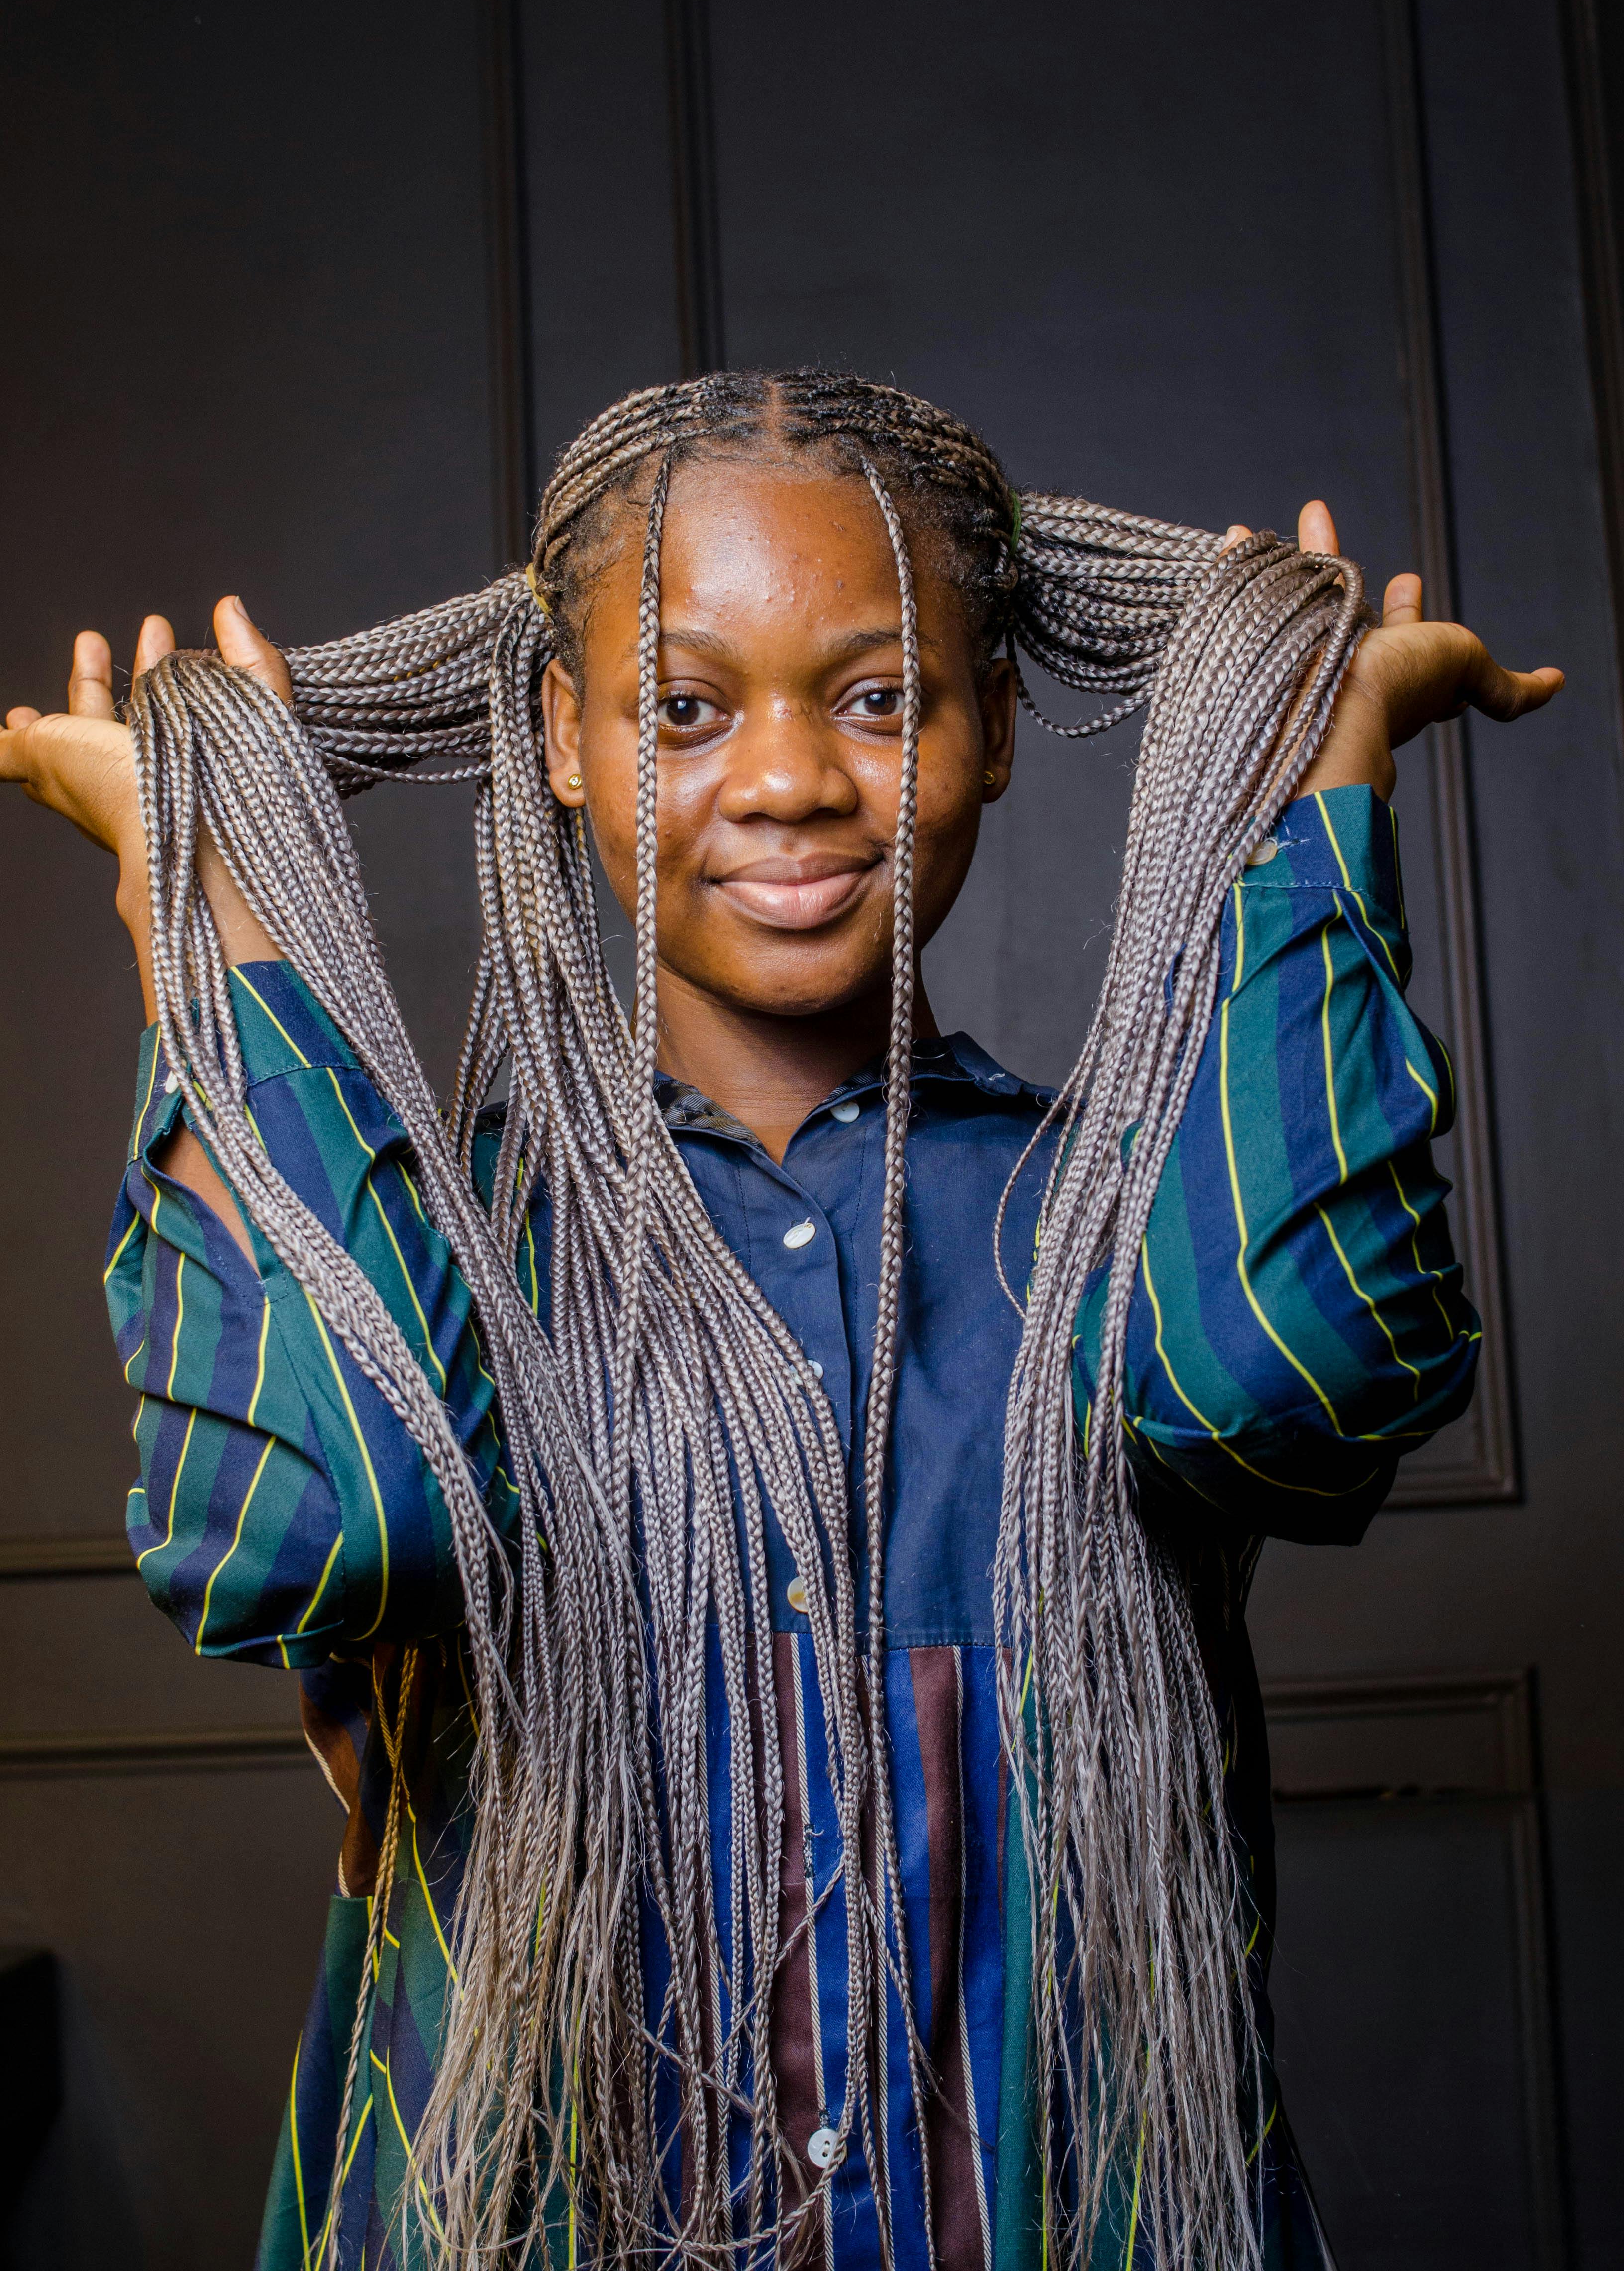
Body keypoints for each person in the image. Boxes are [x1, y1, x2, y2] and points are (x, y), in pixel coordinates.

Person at [0, 373, 1561, 2271]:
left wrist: (1312, 753)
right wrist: (208, 884)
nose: (791, 779)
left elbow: (1288, 1371)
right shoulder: (448, 1247)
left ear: (993, 736)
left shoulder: (1121, 1211)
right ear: (561, 744)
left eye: (886, 692)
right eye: (681, 704)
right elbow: (340, 1520)